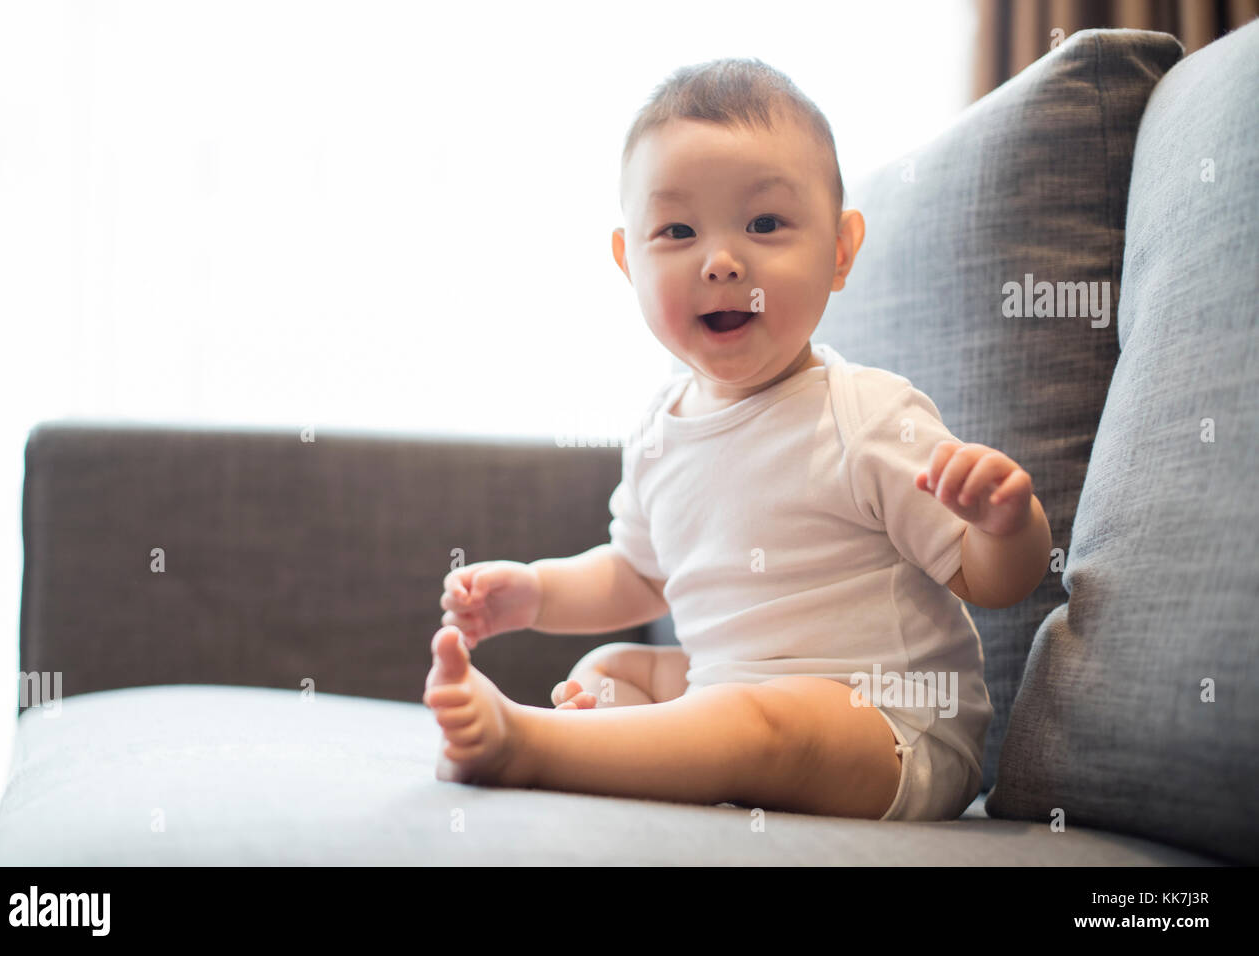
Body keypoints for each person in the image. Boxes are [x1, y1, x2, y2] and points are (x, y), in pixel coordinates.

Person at [425, 57, 1052, 821]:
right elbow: (637, 576)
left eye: (764, 224)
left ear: (841, 250)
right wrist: (534, 592)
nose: (721, 262)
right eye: (678, 230)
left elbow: (994, 581)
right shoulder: (660, 433)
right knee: (611, 668)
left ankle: (530, 746)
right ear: (630, 261)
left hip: (888, 729)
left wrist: (1006, 525)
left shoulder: (867, 416)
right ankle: (617, 744)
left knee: (761, 721)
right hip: (725, 686)